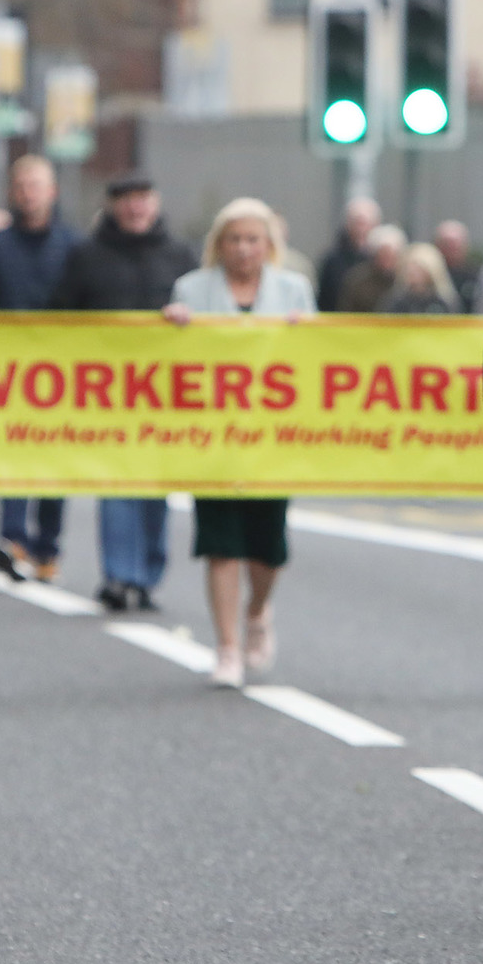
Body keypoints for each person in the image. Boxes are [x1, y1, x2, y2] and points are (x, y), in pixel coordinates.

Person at [164, 198, 315, 687]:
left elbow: (320, 360)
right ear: (219, 244)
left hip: (271, 437)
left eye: (253, 239)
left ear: (269, 244)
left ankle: (257, 611)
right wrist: (171, 326)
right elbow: (171, 360)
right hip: (213, 437)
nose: (244, 249)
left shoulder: (293, 289)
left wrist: (309, 333)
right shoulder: (191, 289)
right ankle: (227, 646)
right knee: (221, 544)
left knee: (267, 547)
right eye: (235, 239)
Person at [54, 174, 199, 611]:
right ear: (113, 206)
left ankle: (148, 573)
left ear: (155, 204)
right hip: (108, 392)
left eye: (143, 199)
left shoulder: (179, 256)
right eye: (127, 200)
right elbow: (60, 317)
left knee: (155, 485)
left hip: (165, 391)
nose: (136, 208)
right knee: (116, 483)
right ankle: (120, 575)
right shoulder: (86, 256)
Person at [0, 154, 80, 582]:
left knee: (56, 455)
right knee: (14, 450)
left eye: (35, 185)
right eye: (20, 186)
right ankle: (13, 539)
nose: (28, 193)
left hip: (62, 369)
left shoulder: (73, 246)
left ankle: (47, 546)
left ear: (52, 192)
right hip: (10, 369)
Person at [317, 196, 380, 311]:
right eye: (358, 223)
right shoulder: (332, 261)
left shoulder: (381, 261)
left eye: (365, 223)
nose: (361, 229)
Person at [337, 224, 406, 311]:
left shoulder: (404, 280)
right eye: (384, 254)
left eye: (392, 255)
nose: (388, 259)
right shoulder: (357, 281)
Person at [378, 242, 462, 313]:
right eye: (409, 268)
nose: (412, 272)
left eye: (418, 269)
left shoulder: (444, 302)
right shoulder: (396, 301)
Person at [433, 220, 479, 308]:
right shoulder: (431, 277)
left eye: (456, 244)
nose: (452, 248)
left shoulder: (477, 275)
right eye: (447, 244)